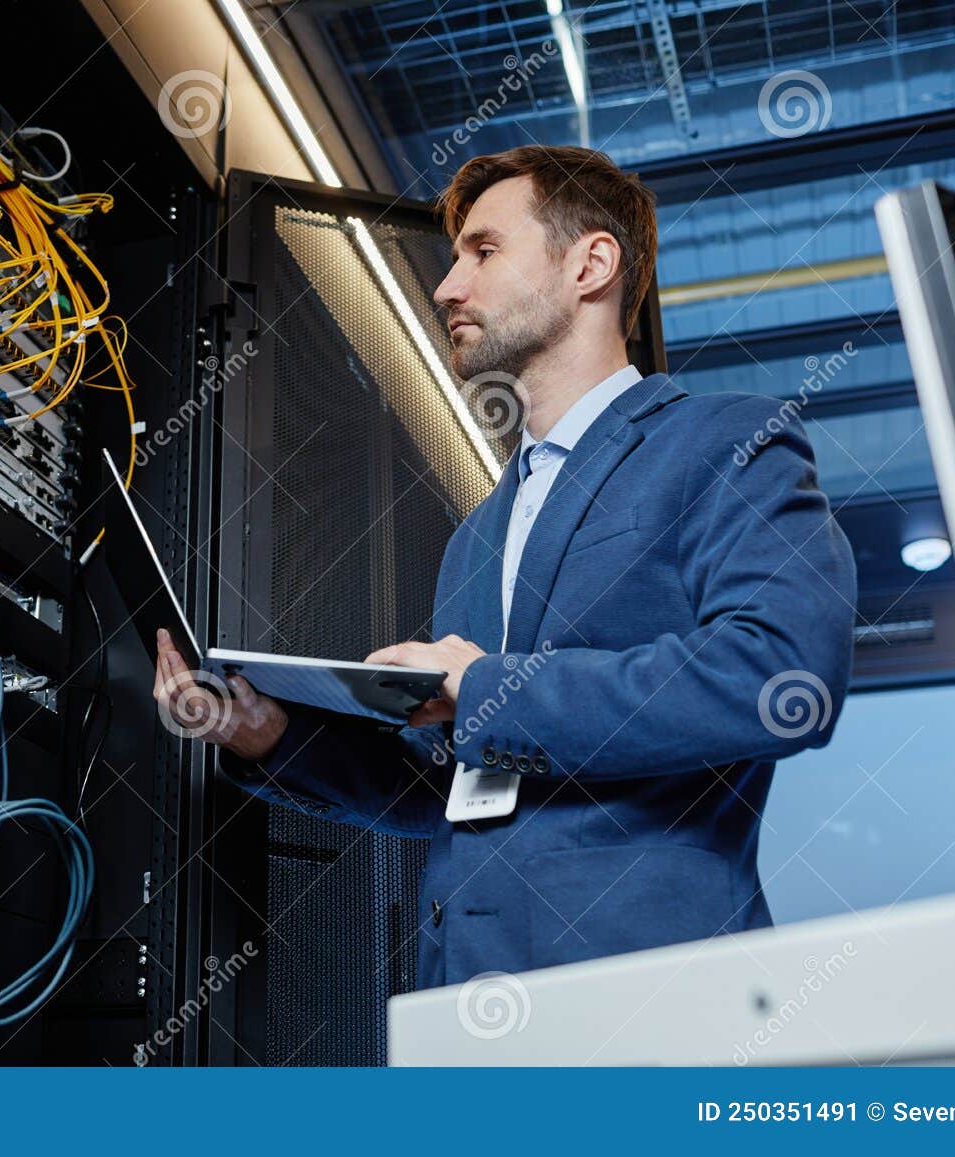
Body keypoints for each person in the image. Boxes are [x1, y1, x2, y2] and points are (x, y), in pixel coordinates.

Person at [154, 144, 857, 990]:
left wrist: (485, 686)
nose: (448, 286)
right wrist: (267, 737)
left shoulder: (723, 441)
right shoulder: (476, 536)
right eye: (455, 260)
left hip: (651, 991)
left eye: (483, 252)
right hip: (464, 994)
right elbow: (453, 787)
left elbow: (784, 674)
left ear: (591, 264)